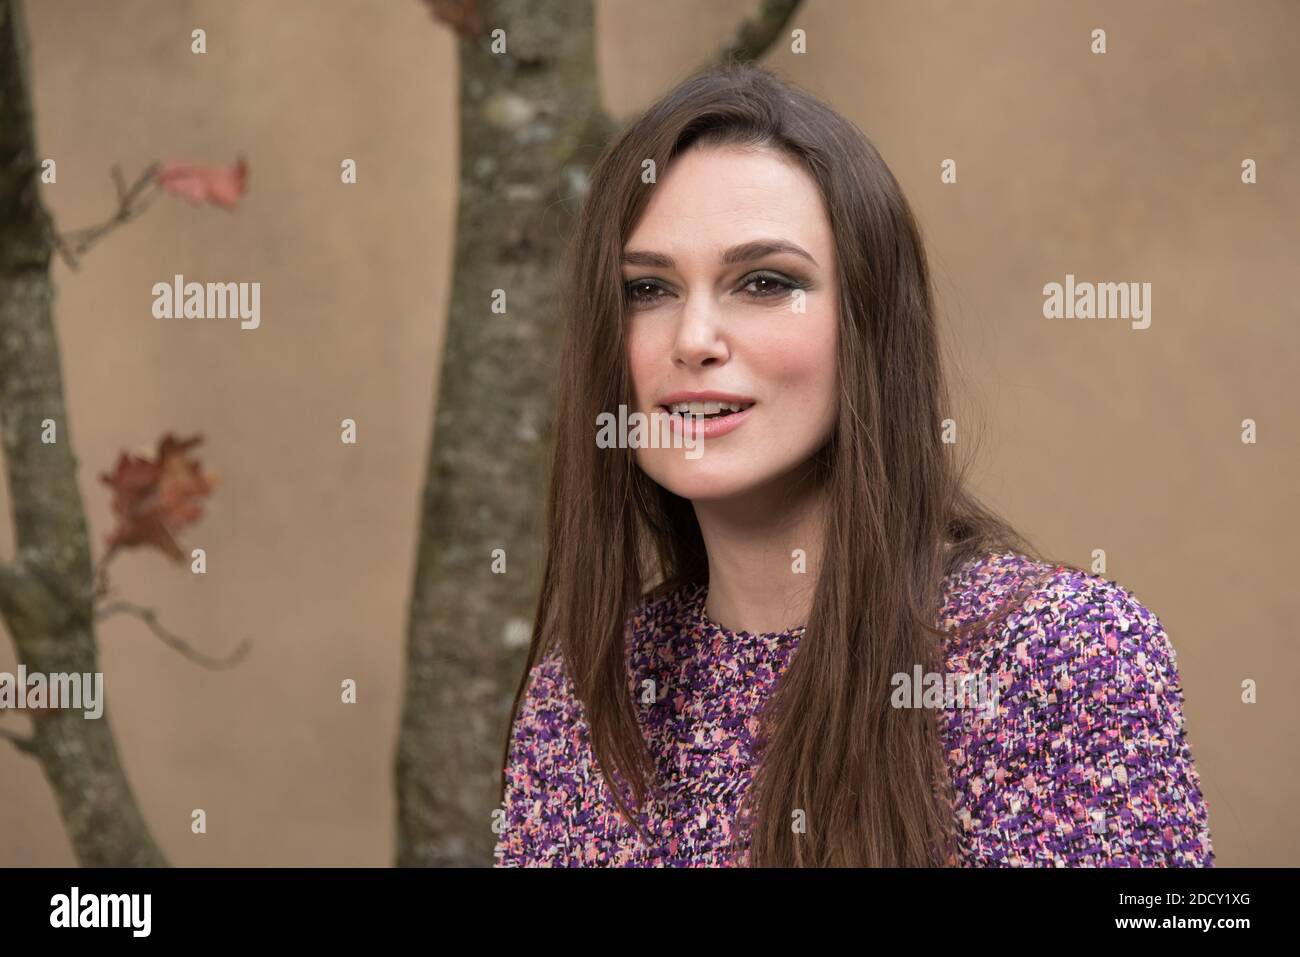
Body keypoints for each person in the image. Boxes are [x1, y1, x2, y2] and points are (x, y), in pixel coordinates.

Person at [493, 62, 1213, 867]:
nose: (693, 338)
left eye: (764, 282)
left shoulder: (1060, 657)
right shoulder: (584, 703)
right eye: (647, 289)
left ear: (868, 325)